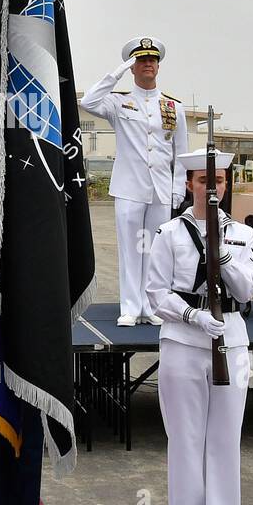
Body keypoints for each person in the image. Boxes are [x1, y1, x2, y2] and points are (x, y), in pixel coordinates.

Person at [148, 149, 253, 505]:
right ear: (188, 184)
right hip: (183, 342)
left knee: (225, 444)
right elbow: (156, 294)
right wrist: (191, 316)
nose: (211, 188)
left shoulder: (243, 234)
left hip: (229, 342)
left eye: (218, 181)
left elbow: (247, 288)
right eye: (203, 181)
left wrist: (223, 252)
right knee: (185, 443)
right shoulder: (170, 233)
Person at [81, 36, 188, 326]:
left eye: (152, 60)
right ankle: (130, 306)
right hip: (129, 187)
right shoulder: (119, 102)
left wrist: (178, 188)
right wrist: (116, 71)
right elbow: (89, 100)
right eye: (141, 60)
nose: (148, 64)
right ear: (132, 66)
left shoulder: (172, 107)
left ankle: (152, 305)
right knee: (130, 247)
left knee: (156, 250)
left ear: (159, 66)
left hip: (161, 187)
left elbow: (182, 153)